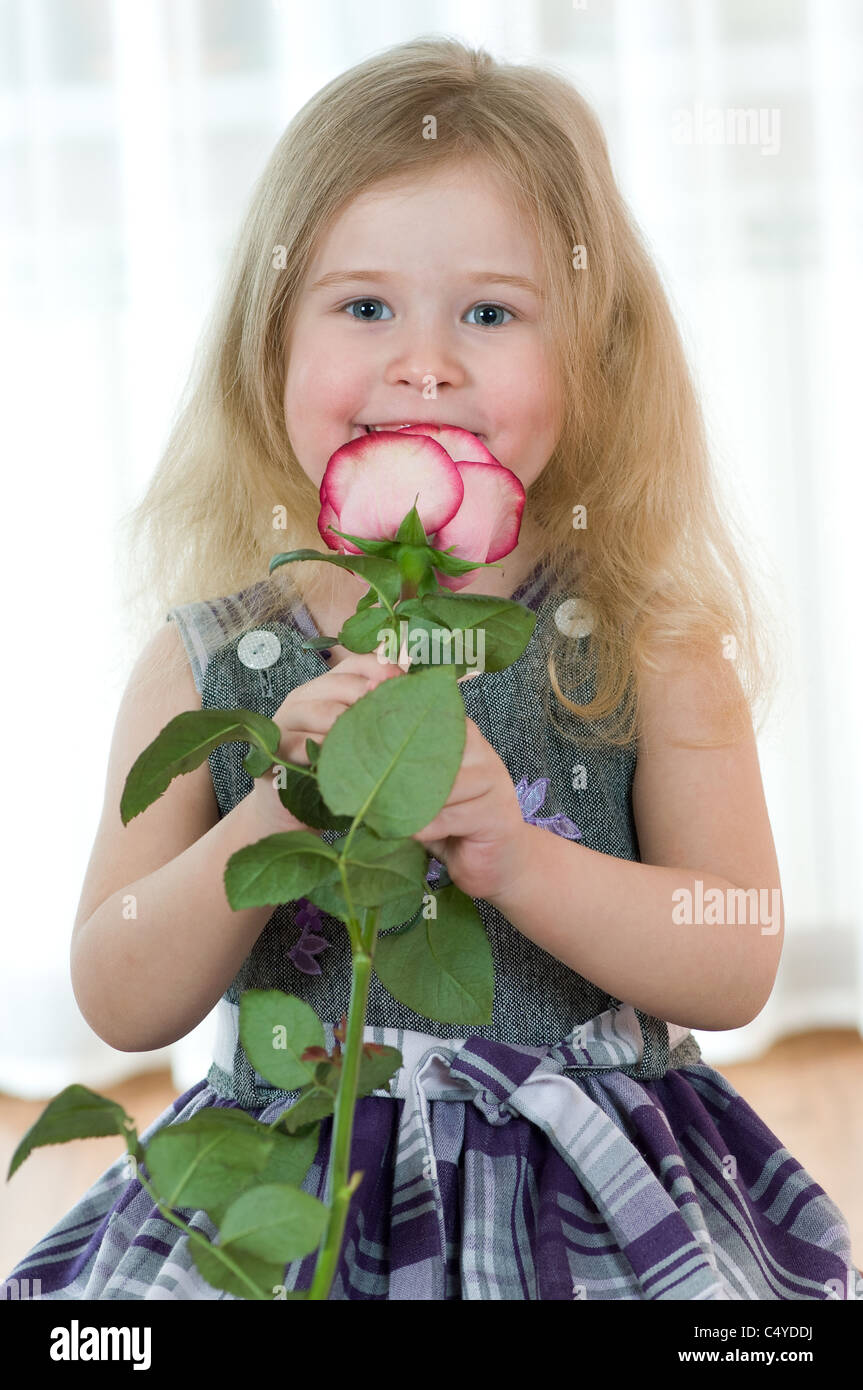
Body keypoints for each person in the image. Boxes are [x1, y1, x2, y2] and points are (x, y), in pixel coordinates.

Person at [5, 36, 860, 1302]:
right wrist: (277, 805)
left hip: (585, 1196)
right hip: (282, 1191)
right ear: (267, 343)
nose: (424, 364)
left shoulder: (642, 645)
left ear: (592, 358)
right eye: (362, 307)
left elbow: (731, 954)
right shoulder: (206, 665)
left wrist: (518, 857)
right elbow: (119, 993)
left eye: (490, 312)